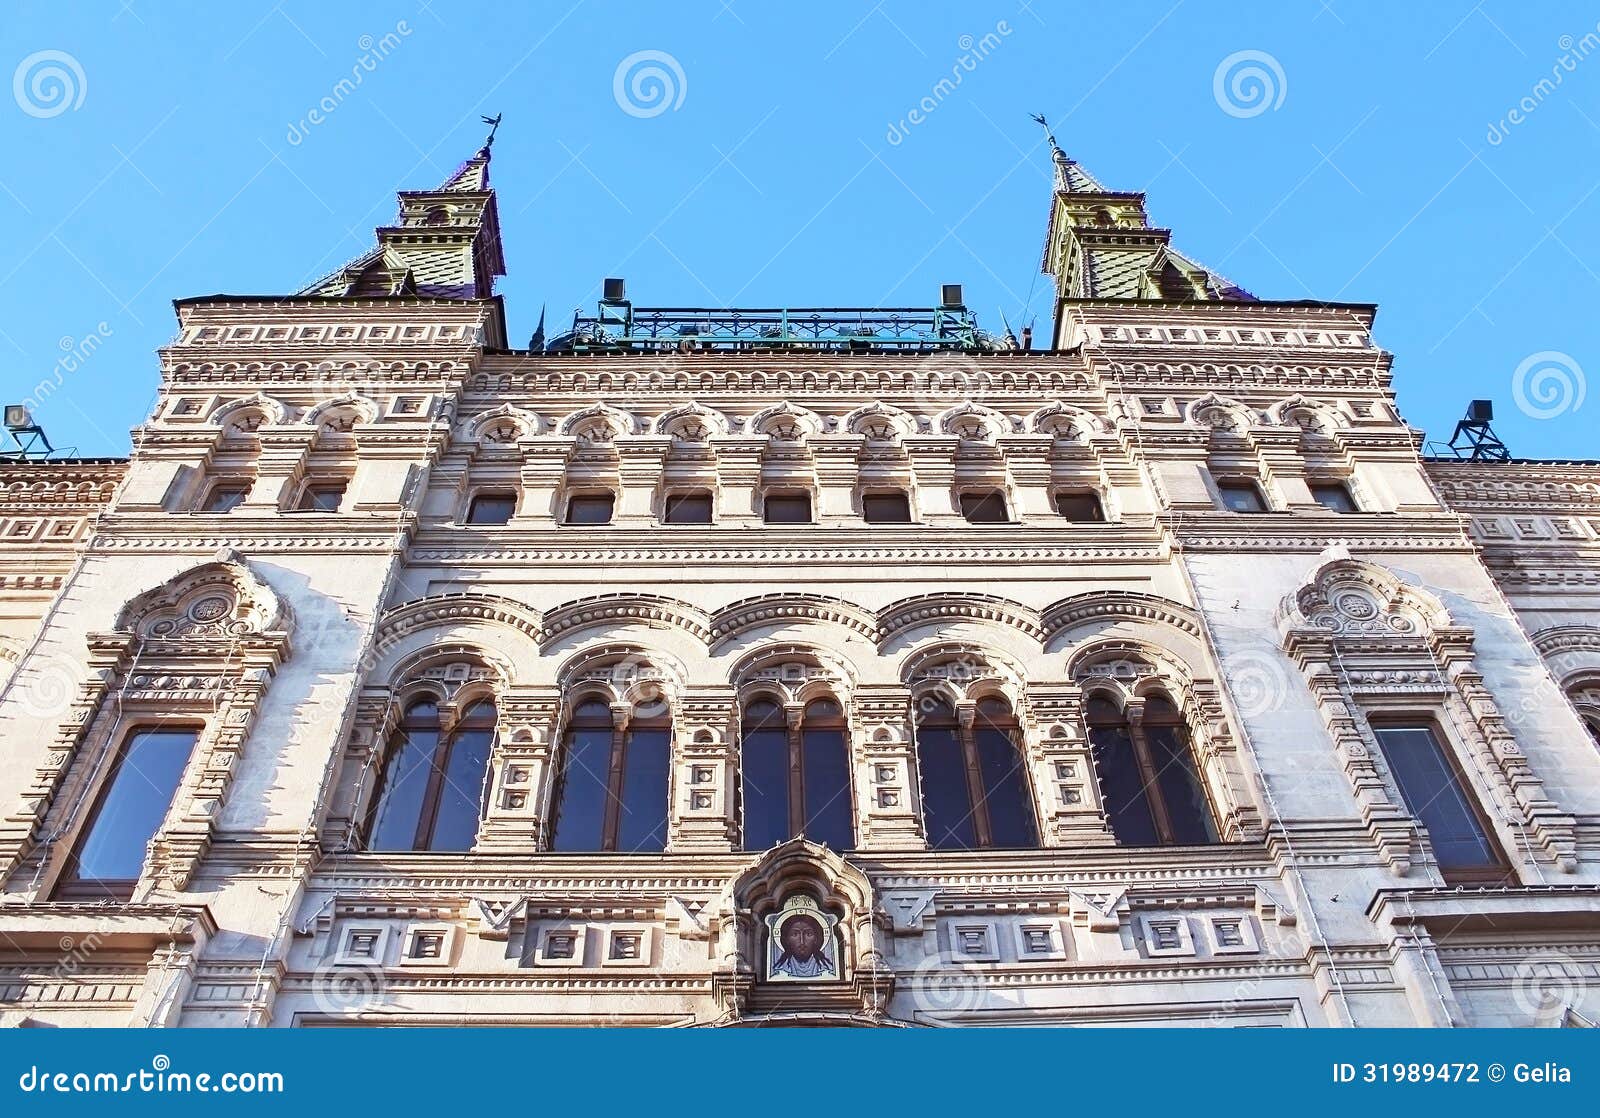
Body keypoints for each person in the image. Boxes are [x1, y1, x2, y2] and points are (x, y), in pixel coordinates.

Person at [770, 912, 835, 979]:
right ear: (787, 940)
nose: (802, 941)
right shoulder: (780, 969)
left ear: (816, 939)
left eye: (808, 934)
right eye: (795, 934)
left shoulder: (826, 968)